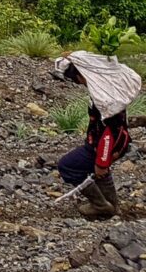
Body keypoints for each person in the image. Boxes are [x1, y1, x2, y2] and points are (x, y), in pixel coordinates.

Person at [54, 52, 139, 220]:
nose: (77, 82)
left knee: (67, 166)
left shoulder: (105, 101)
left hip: (103, 144)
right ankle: (111, 205)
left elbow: (109, 133)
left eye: (76, 78)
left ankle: (100, 206)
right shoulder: (107, 87)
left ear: (82, 74)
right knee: (96, 168)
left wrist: (102, 161)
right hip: (116, 142)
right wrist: (71, 56)